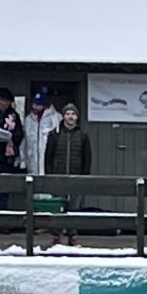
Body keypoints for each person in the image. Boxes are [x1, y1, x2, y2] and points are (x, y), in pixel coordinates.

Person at [44, 100, 93, 246]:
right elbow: (48, 157)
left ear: (77, 117)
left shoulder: (83, 136)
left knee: (74, 208)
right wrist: (49, 176)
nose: (70, 117)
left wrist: (84, 177)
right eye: (67, 114)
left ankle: (72, 237)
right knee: (58, 208)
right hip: (58, 178)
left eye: (73, 114)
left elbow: (87, 158)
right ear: (63, 116)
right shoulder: (54, 135)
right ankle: (56, 237)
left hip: (76, 177)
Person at [17, 86, 58, 177]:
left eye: (38, 104)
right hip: (32, 163)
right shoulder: (28, 120)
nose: (35, 107)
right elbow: (24, 141)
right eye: (34, 104)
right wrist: (22, 160)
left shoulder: (55, 118)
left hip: (49, 162)